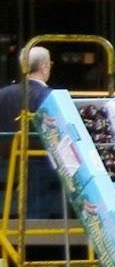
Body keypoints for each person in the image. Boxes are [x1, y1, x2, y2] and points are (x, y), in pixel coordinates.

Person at [0, 47, 61, 218]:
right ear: (44, 67)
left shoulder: (2, 95)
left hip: (5, 165)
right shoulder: (51, 97)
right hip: (42, 167)